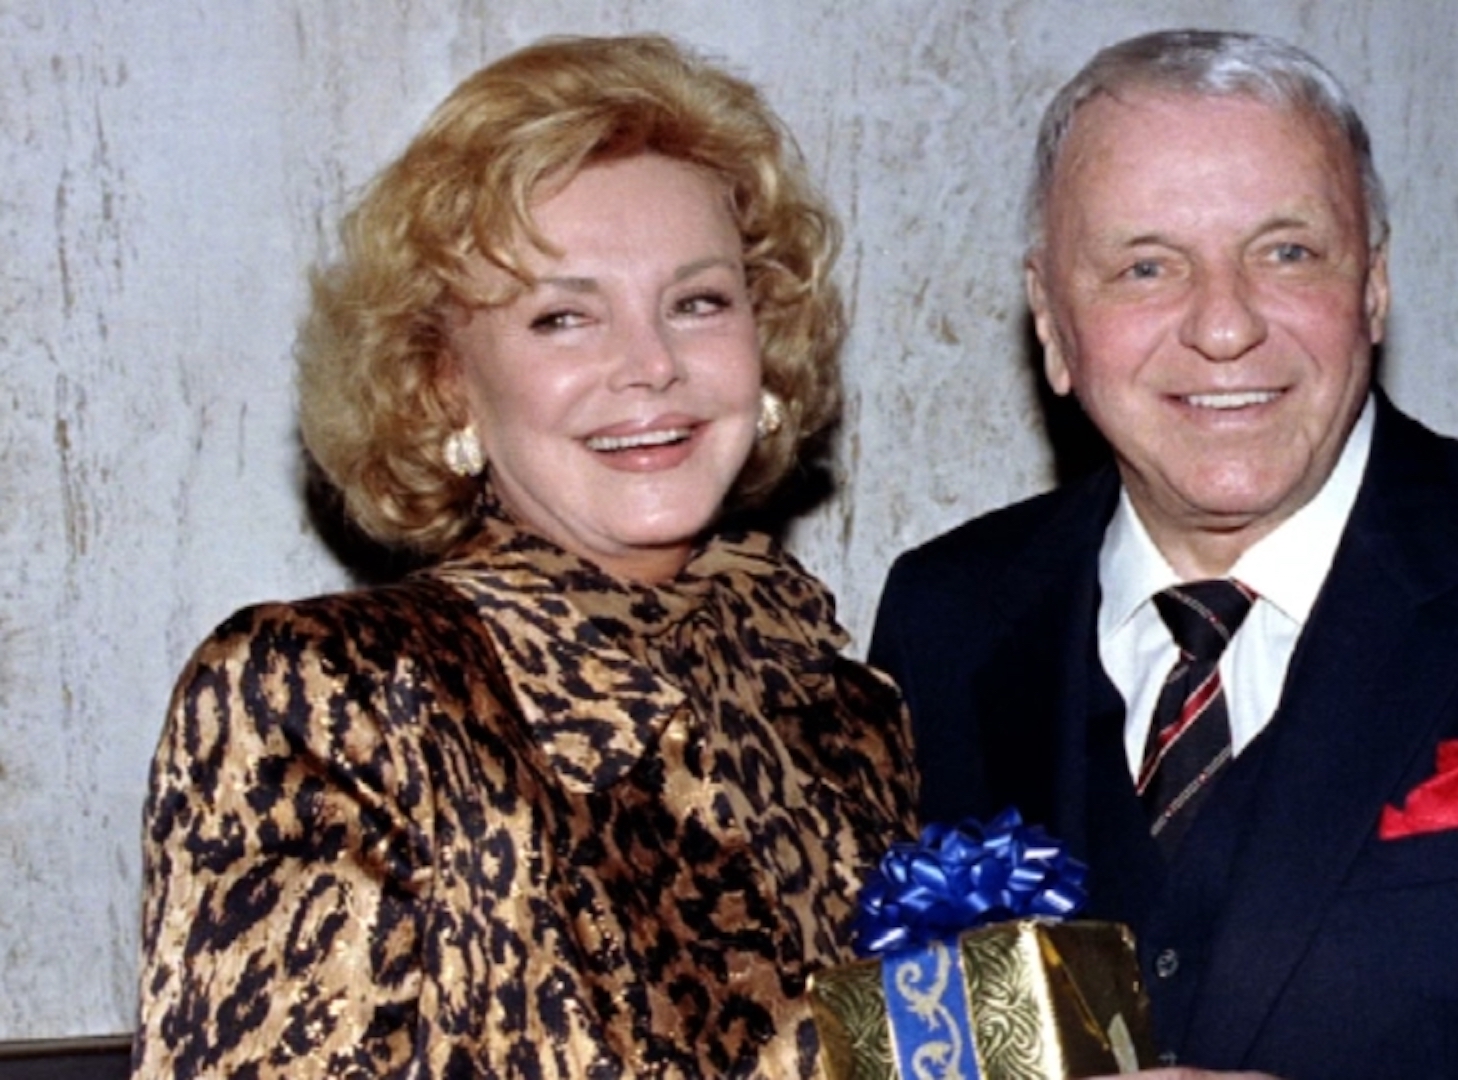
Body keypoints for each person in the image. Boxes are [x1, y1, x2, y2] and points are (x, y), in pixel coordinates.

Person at [869, 28, 1458, 1079]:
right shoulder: (944, 622)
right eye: (1146, 266)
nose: (1224, 326)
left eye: (1286, 252)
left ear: (1373, 284)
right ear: (1052, 321)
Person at [135, 34, 913, 1078]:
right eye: (563, 318)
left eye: (697, 302)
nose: (652, 365)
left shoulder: (839, 711)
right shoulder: (334, 699)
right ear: (444, 380)